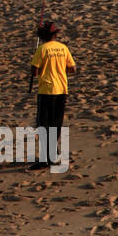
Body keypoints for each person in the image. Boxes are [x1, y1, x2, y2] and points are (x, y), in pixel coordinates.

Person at [30, 21, 76, 169]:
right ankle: (52, 153)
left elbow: (34, 71)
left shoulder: (42, 49)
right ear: (56, 34)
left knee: (43, 124)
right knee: (56, 124)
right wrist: (60, 71)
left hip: (46, 91)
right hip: (62, 90)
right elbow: (72, 69)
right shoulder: (63, 48)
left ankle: (46, 158)